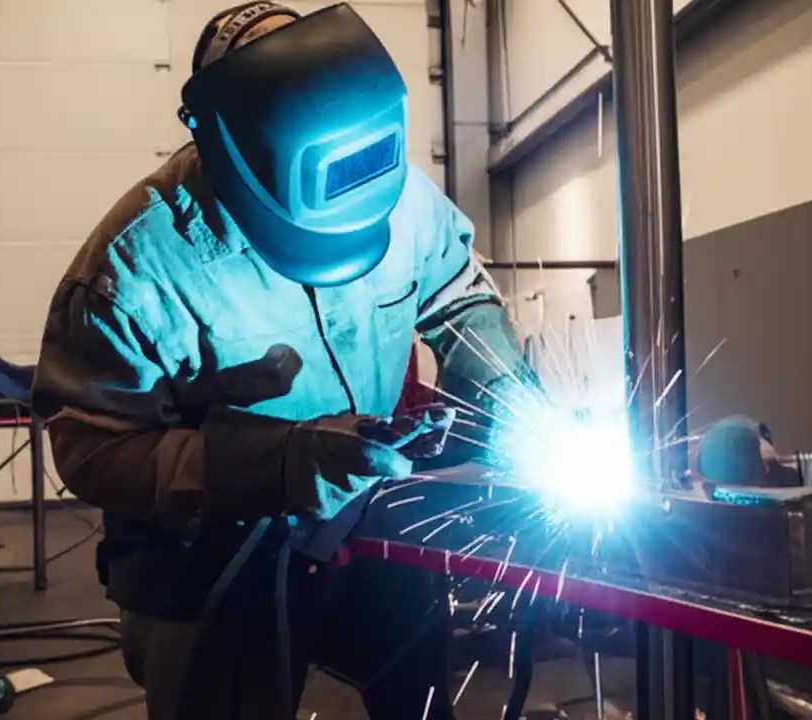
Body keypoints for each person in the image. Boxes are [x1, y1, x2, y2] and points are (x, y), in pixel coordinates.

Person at [30, 3, 526, 719]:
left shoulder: (404, 196)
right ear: (226, 147)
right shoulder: (136, 268)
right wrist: (279, 464)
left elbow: (455, 296)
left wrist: (501, 383)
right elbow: (90, 449)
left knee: (419, 699)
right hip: (208, 561)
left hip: (373, 522)